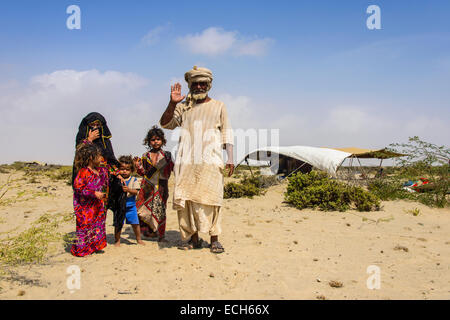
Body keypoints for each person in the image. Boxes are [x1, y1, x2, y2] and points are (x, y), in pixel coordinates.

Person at [160, 66, 234, 253]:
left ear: (208, 85)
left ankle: (214, 238)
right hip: (187, 162)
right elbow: (165, 124)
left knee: (213, 199)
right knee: (188, 200)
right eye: (195, 83)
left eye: (203, 83)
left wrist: (230, 158)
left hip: (211, 160)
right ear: (190, 85)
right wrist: (172, 103)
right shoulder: (183, 107)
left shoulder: (219, 106)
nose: (199, 86)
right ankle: (193, 239)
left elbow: (227, 132)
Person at [72, 112, 127, 234]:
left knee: (101, 210)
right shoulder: (82, 142)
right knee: (86, 213)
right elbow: (80, 156)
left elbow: (110, 159)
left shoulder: (105, 141)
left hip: (102, 181)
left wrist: (117, 173)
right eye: (93, 125)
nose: (96, 128)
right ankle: (85, 241)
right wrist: (89, 140)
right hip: (87, 181)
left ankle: (97, 240)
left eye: (98, 125)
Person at [135, 126, 174, 242]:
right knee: (143, 209)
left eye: (158, 139)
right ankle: (149, 232)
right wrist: (138, 166)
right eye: (153, 140)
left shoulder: (167, 155)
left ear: (162, 141)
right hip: (147, 187)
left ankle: (161, 235)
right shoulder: (145, 156)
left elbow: (172, 169)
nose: (155, 142)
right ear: (149, 142)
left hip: (162, 187)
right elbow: (142, 173)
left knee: (160, 210)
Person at [71, 143, 108, 257]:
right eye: (98, 156)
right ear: (91, 158)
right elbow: (78, 188)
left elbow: (107, 177)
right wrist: (93, 193)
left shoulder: (100, 171)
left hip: (97, 205)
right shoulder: (84, 172)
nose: (101, 158)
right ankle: (81, 250)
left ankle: (94, 247)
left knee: (97, 225)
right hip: (85, 207)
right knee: (85, 226)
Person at [114, 155, 145, 247]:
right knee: (118, 224)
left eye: (127, 169)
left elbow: (136, 191)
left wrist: (128, 190)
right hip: (119, 206)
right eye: (122, 169)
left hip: (130, 206)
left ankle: (138, 239)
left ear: (131, 170)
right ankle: (117, 240)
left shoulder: (133, 179)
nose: (124, 171)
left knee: (135, 223)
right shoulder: (117, 180)